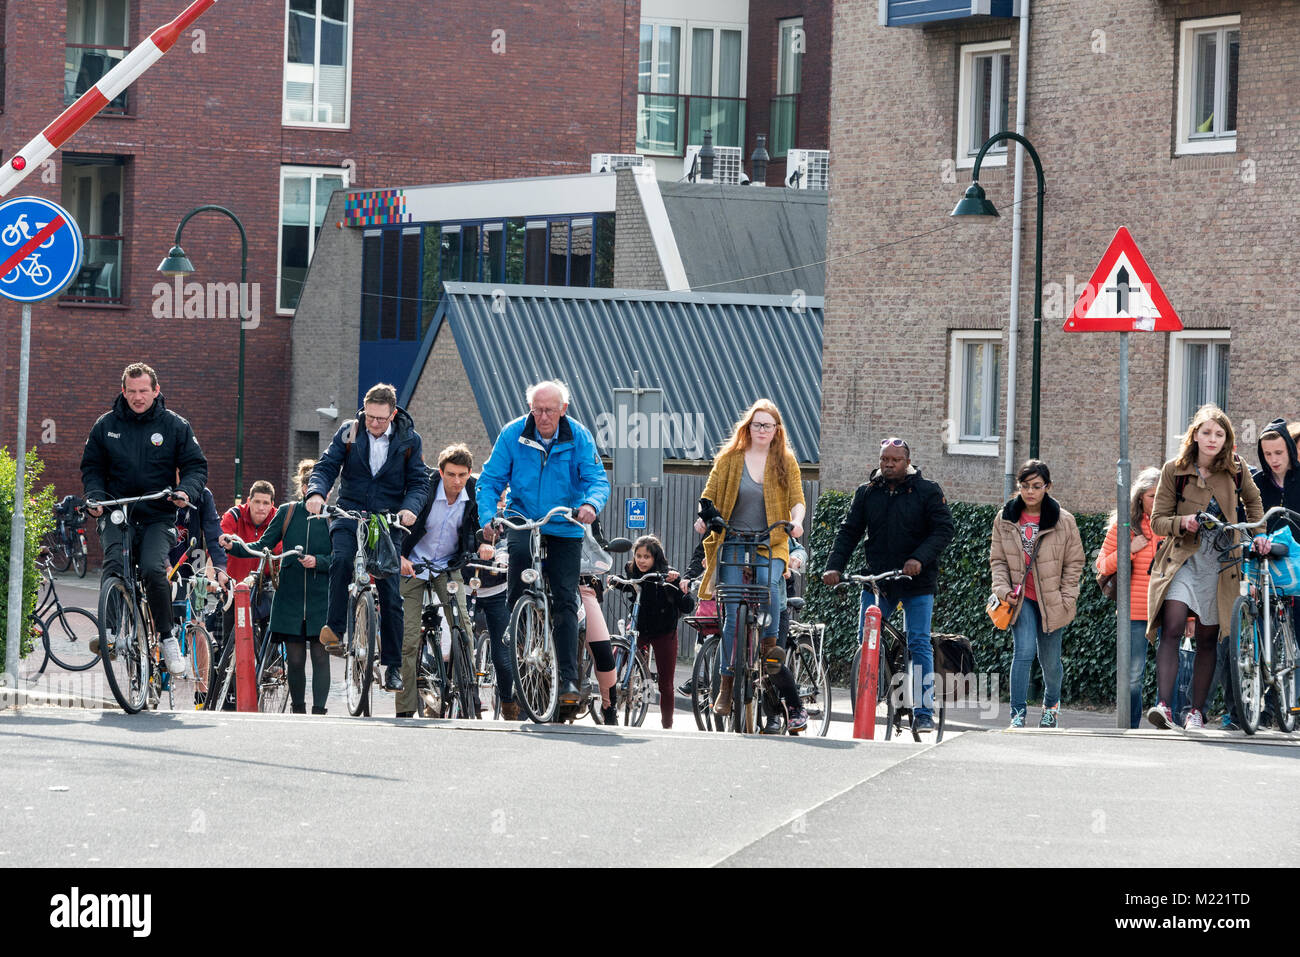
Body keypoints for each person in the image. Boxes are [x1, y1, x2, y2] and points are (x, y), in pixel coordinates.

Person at [477, 380, 610, 710]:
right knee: (519, 564)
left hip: (565, 523)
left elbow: (597, 479)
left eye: (549, 410)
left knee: (566, 598)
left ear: (563, 409)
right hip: (523, 516)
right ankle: (518, 625)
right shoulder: (513, 434)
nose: (543, 416)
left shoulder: (578, 436)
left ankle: (567, 677)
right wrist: (487, 518)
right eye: (537, 409)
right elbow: (490, 480)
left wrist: (590, 505)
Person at [81, 362, 207, 677]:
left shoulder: (175, 426)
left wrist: (184, 491)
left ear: (156, 391)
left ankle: (167, 639)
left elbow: (195, 467)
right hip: (117, 511)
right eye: (132, 391)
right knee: (113, 565)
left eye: (144, 391)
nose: (138, 397)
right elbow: (92, 468)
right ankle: (109, 633)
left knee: (153, 569)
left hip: (157, 514)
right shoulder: (105, 426)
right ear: (123, 391)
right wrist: (95, 497)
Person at [823, 437, 953, 733]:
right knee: (867, 638)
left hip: (916, 581)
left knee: (919, 641)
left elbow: (944, 530)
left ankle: (922, 712)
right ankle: (875, 692)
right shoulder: (867, 493)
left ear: (907, 461)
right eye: (884, 460)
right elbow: (849, 531)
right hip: (878, 580)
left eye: (894, 460)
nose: (888, 464)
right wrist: (834, 566)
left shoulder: (927, 491)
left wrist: (919, 558)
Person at [1145, 404, 1264, 731]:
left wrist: (1257, 535)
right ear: (1195, 435)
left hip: (1223, 561)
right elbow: (1157, 521)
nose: (1212, 439)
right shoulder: (1174, 469)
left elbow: (1254, 504)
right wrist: (1182, 522)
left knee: (1209, 638)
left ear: (1227, 438)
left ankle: (1196, 712)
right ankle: (1165, 706)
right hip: (1184, 556)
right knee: (1172, 624)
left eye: (1219, 433)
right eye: (1206, 432)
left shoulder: (1237, 469)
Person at [305, 383, 427, 693]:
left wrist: (410, 510)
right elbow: (327, 465)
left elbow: (418, 483)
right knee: (342, 559)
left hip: (387, 520)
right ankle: (334, 629)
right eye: (370, 416)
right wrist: (317, 492)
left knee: (389, 590)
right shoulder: (350, 431)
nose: (373, 424)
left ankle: (394, 666)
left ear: (393, 414)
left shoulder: (409, 440)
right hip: (350, 512)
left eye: (380, 419)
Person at [696, 400, 808, 730]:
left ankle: (770, 645)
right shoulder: (730, 459)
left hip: (771, 541)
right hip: (732, 540)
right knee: (732, 609)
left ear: (777, 431)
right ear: (748, 428)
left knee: (773, 587)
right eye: (756, 425)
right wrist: (702, 520)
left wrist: (796, 522)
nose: (761, 431)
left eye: (768, 426)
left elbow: (797, 500)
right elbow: (709, 495)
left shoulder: (785, 462)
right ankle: (727, 684)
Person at [222, 460, 332, 714]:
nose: (313, 490)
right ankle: (299, 710)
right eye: (308, 485)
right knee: (294, 659)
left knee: (320, 655)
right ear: (303, 488)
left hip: (321, 597)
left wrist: (319, 561)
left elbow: (343, 557)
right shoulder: (287, 512)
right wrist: (234, 546)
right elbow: (264, 545)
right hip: (290, 597)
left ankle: (319, 712)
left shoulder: (333, 516)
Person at [989, 459, 1085, 729]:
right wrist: (1003, 589)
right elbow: (997, 560)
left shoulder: (1064, 520)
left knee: (1050, 661)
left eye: (1036, 486)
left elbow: (1075, 561)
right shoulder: (1005, 518)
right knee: (1024, 652)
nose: (1030, 492)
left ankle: (1050, 707)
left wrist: (1067, 596)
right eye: (1024, 486)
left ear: (1047, 487)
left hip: (1053, 600)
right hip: (1020, 600)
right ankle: (1017, 714)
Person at [396, 443, 481, 718]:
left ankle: (466, 694)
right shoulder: (425, 489)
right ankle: (406, 708)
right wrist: (400, 556)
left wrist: (484, 542)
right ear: (441, 472)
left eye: (462, 475)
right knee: (408, 639)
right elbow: (399, 523)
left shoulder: (474, 491)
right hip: (413, 565)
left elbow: (480, 525)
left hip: (447, 566)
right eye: (451, 474)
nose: (457, 481)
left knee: (464, 630)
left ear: (469, 473)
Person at [1095, 467, 1162, 728]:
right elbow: (1101, 566)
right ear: (1139, 498)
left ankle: (1166, 725)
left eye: (1161, 495)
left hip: (1166, 610)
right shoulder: (1124, 527)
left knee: (1173, 672)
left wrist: (1189, 616)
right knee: (1133, 676)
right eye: (1151, 496)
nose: (1157, 501)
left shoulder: (1171, 526)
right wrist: (1129, 550)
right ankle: (1131, 727)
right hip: (1134, 613)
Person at [613, 535, 695, 729]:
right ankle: (609, 707)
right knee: (616, 656)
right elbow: (627, 584)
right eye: (638, 556)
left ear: (655, 558)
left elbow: (688, 605)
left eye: (646, 557)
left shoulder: (668, 575)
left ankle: (667, 725)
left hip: (664, 631)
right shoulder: (631, 569)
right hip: (638, 627)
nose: (641, 560)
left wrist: (679, 586)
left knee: (665, 684)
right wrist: (614, 581)